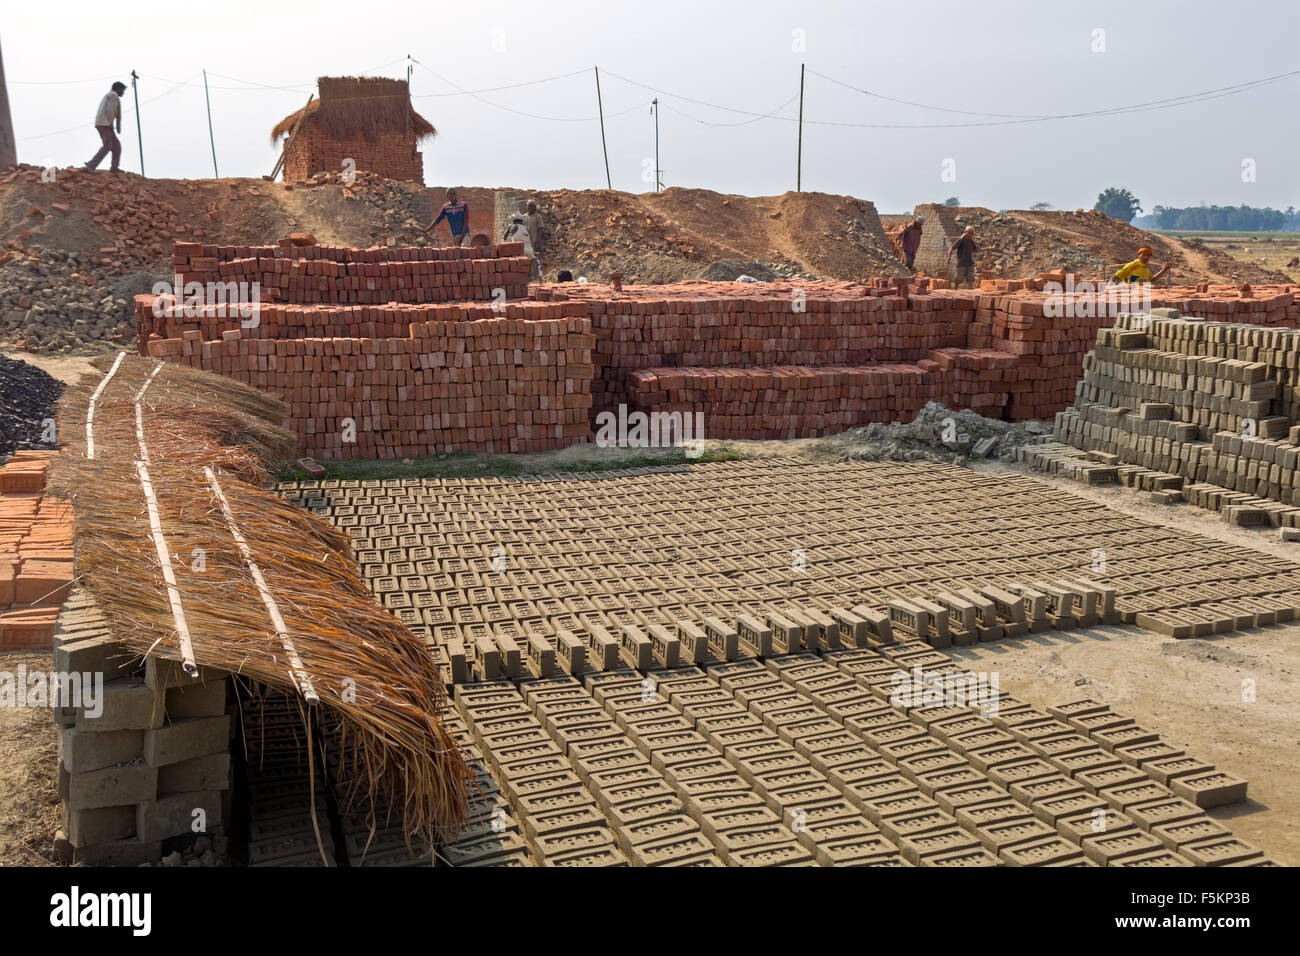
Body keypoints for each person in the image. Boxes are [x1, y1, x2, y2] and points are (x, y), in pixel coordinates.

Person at [85, 81, 126, 172]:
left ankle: (114, 167)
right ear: (118, 89)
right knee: (107, 145)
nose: (123, 93)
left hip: (104, 123)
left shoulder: (111, 96)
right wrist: (111, 125)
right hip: (105, 124)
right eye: (122, 90)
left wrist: (116, 127)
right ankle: (91, 165)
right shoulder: (113, 96)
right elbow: (110, 111)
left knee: (116, 146)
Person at [503, 212, 541, 279]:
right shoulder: (526, 228)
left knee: (515, 266)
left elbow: (504, 237)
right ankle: (529, 278)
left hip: (519, 251)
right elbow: (530, 238)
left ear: (513, 220)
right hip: (530, 252)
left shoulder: (511, 226)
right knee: (526, 267)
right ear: (521, 220)